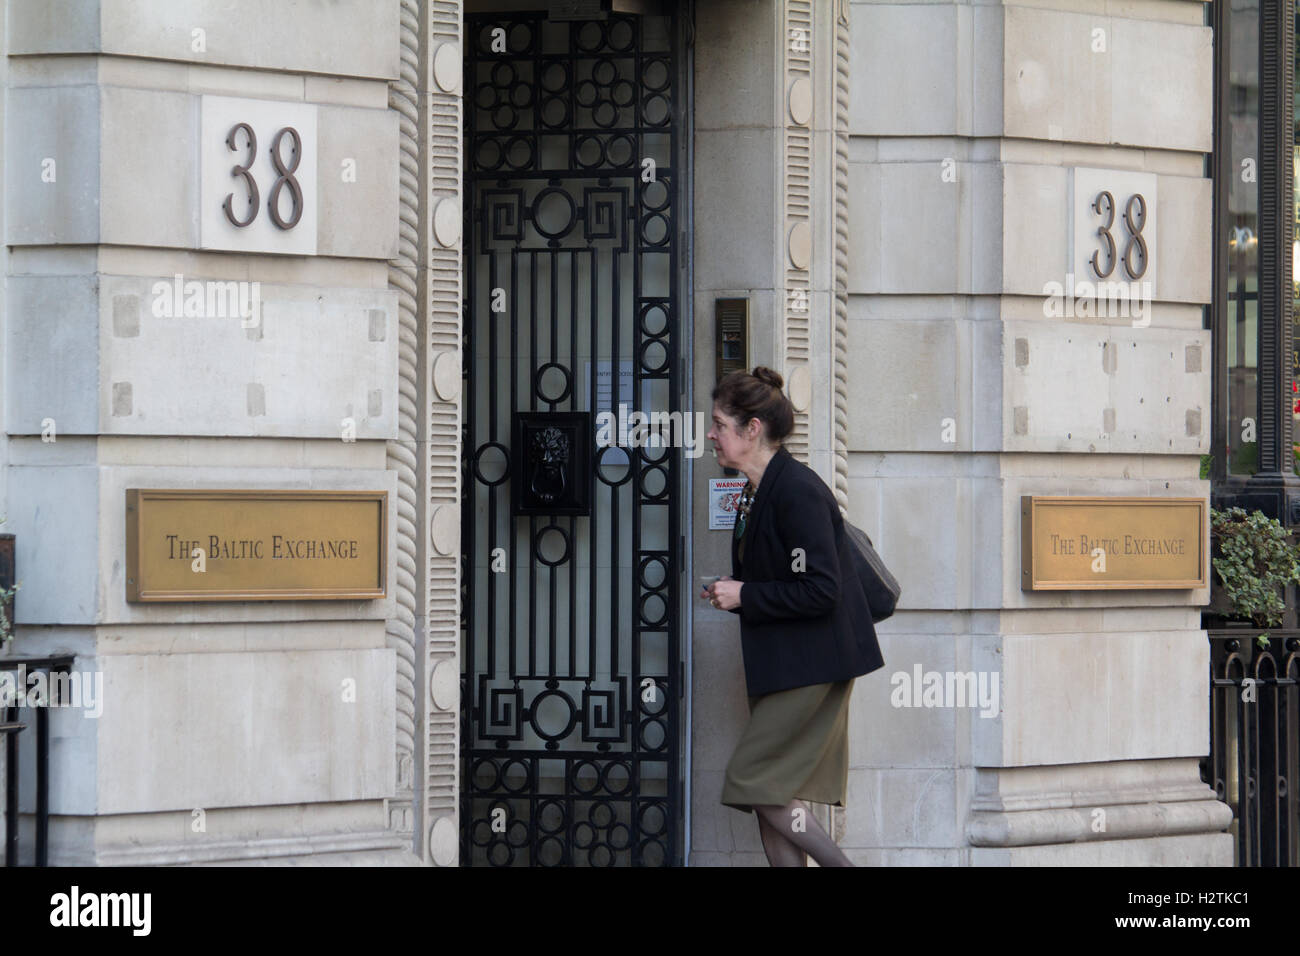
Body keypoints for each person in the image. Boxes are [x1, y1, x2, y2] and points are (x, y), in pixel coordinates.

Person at [702, 365, 885, 867]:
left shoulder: (797, 490)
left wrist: (746, 594)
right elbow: (781, 577)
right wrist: (735, 591)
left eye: (719, 423)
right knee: (771, 795)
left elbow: (822, 590)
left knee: (757, 782)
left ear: (752, 428)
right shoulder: (755, 490)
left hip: (812, 667)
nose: (712, 435)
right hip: (787, 665)